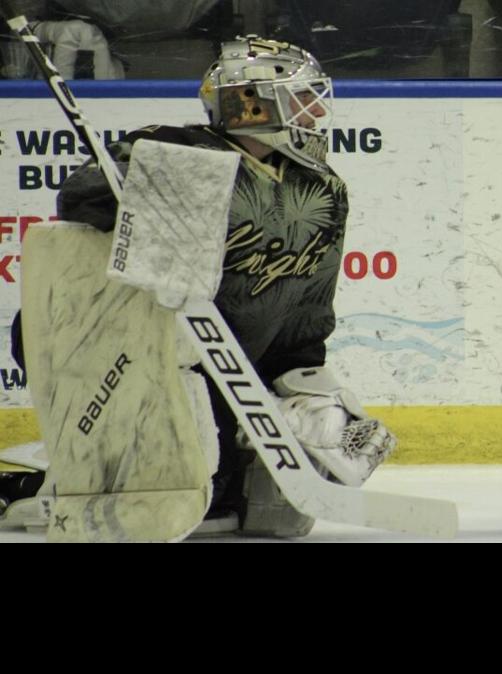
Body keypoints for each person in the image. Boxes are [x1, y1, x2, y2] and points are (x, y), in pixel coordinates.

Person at [2, 36, 395, 537]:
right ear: (252, 104)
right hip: (125, 349)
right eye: (300, 98)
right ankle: (41, 489)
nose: (313, 112)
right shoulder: (175, 147)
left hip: (226, 366)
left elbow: (307, 296)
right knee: (179, 479)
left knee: (244, 501)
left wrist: (299, 378)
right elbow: (79, 199)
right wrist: (141, 186)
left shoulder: (323, 189)